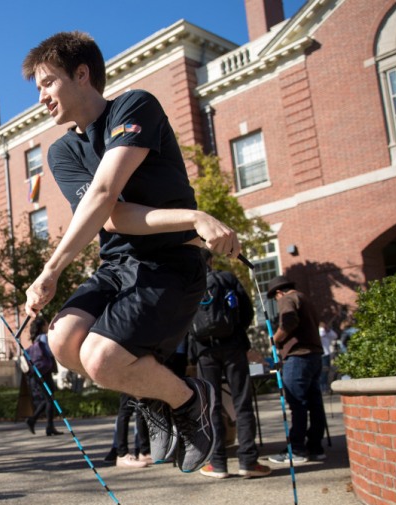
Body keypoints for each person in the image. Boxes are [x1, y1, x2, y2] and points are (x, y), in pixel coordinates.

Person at [21, 31, 242, 473]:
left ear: (82, 74)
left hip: (170, 264)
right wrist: (193, 215)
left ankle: (191, 399)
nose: (41, 97)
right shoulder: (63, 151)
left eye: (47, 83)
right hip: (118, 264)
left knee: (101, 359)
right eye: (38, 88)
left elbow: (105, 191)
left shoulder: (134, 106)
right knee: (62, 340)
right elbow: (111, 217)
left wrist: (52, 268)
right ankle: (156, 398)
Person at [190, 250, 271, 479]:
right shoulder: (226, 279)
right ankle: (249, 461)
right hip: (234, 346)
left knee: (211, 405)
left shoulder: (189, 284)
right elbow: (246, 311)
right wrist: (236, 332)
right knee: (242, 402)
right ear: (210, 261)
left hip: (204, 351)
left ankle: (217, 463)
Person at [266, 276, 327, 464]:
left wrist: (275, 339)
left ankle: (297, 449)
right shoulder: (304, 298)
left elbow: (289, 321)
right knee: (314, 402)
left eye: (275, 299)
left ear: (278, 293)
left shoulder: (287, 299)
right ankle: (315, 446)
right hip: (314, 355)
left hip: (298, 356)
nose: (277, 302)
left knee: (297, 403)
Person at [24, 316, 62, 437]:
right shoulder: (44, 338)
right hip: (45, 371)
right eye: (46, 324)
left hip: (38, 372)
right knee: (50, 399)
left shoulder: (35, 340)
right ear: (42, 326)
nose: (48, 326)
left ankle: (38, 422)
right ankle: (47, 426)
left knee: (49, 399)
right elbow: (49, 352)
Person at [105, 394, 151, 467]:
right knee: (126, 409)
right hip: (129, 383)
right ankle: (122, 455)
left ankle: (145, 452)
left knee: (142, 408)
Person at [318, 321, 338, 392]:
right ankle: (322, 387)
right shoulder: (319, 330)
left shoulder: (327, 331)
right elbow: (320, 335)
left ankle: (325, 387)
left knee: (326, 371)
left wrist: (328, 330)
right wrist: (323, 328)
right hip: (320, 354)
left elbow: (334, 336)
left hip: (326, 353)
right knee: (321, 371)